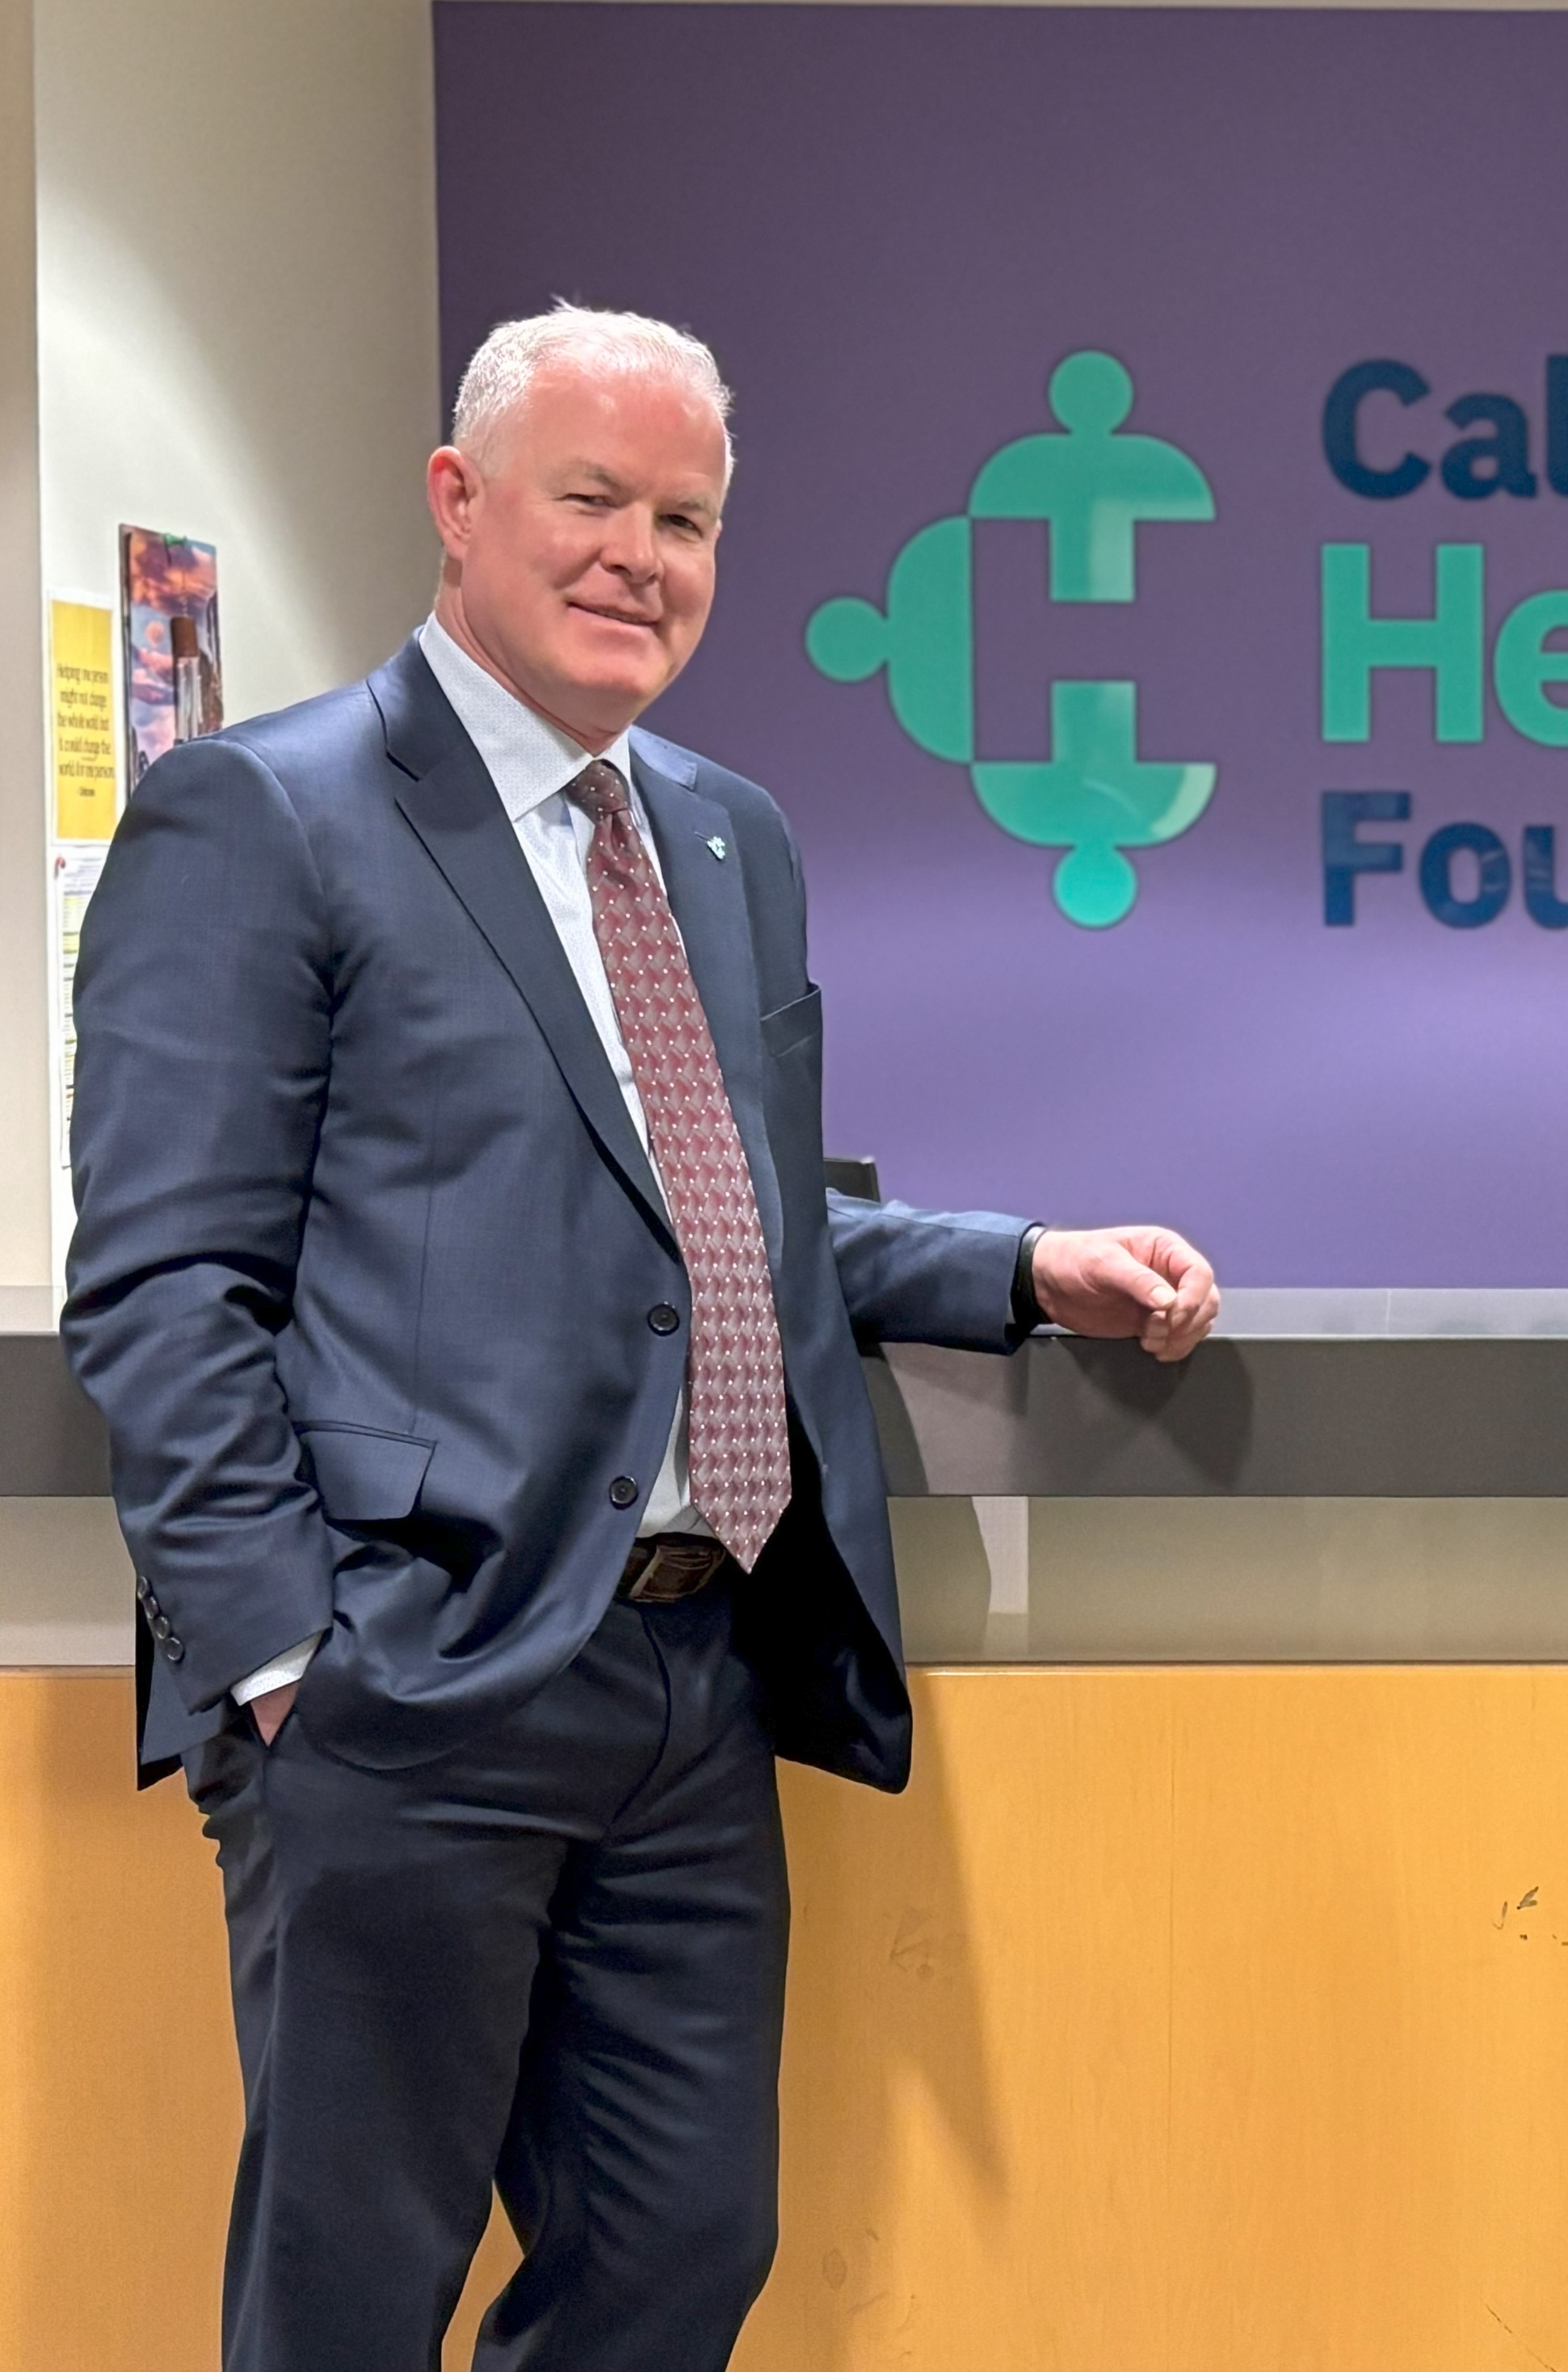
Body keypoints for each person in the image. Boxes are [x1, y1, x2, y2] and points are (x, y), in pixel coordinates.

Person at [61, 303, 1221, 2371]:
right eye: (591, 497)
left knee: (687, 2252)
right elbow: (164, 1282)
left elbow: (735, 1215)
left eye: (684, 517)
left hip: (692, 1677)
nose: (640, 557)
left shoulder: (721, 832)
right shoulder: (273, 816)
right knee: (351, 2293)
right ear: (460, 500)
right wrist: (286, 1667)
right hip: (403, 1690)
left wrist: (1020, 1264)